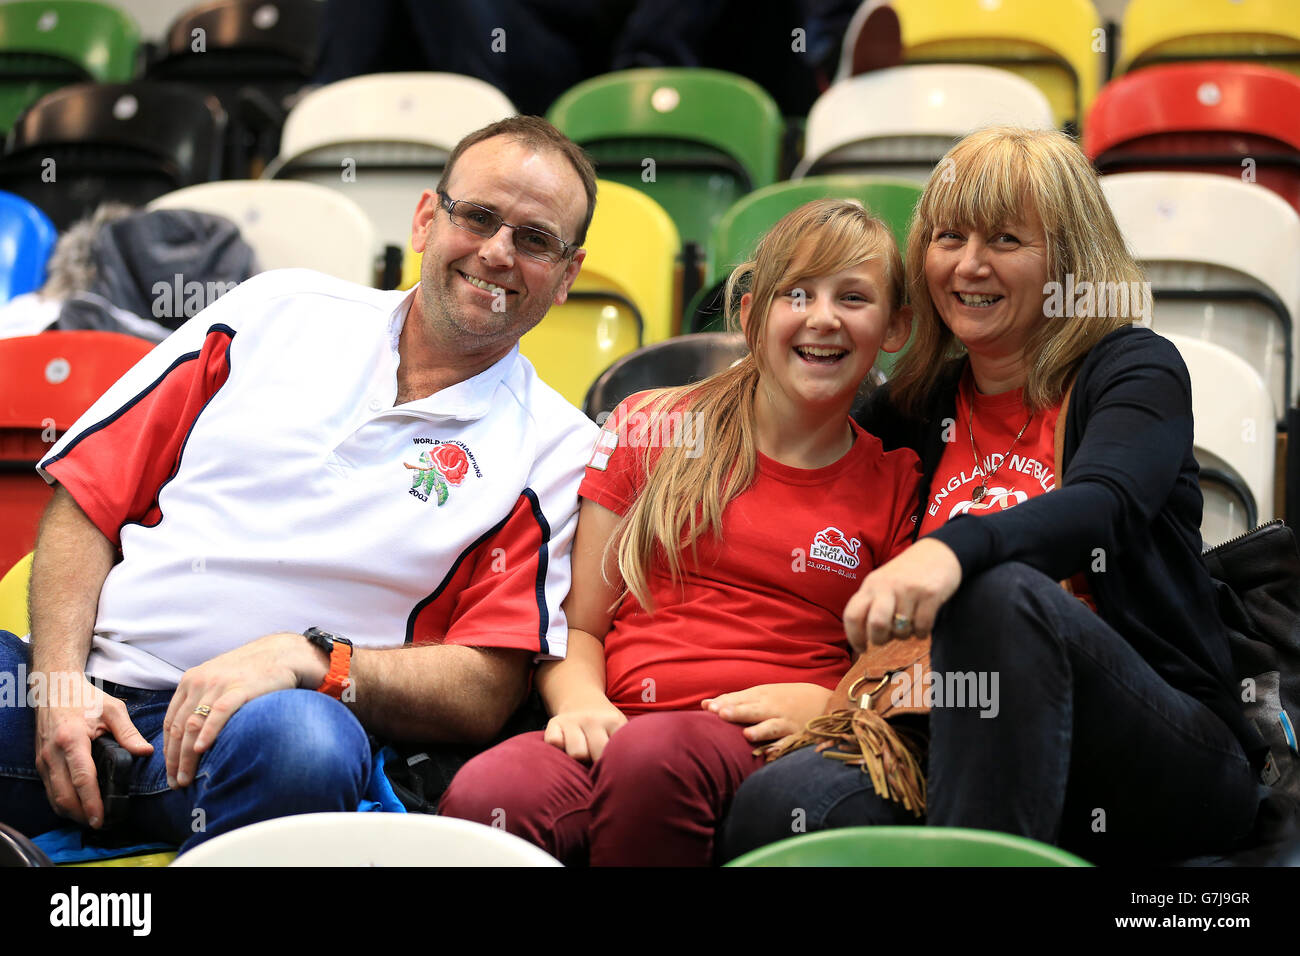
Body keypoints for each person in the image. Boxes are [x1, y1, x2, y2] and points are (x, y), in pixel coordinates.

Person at [0, 116, 601, 853]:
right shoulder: (274, 310)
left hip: (257, 738)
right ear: (424, 219)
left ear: (569, 275)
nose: (498, 252)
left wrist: (312, 658)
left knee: (306, 746)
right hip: (78, 701)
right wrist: (58, 685)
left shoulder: (558, 446)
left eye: (535, 240)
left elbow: (485, 687)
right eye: (477, 216)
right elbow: (86, 499)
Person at [722, 126, 1267, 865]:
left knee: (998, 593)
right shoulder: (917, 408)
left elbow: (1104, 504)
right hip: (950, 726)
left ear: (1067, 260)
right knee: (779, 808)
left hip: (1163, 749)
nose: (968, 264)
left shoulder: (1133, 370)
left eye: (1005, 240)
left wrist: (953, 549)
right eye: (949, 236)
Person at [438, 199, 922, 865]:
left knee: (656, 757)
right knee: (489, 792)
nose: (823, 317)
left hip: (773, 743)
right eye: (798, 293)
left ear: (895, 326)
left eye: (854, 297)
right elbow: (578, 626)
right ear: (751, 315)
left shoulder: (900, 479)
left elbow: (899, 661)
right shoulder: (651, 425)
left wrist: (831, 703)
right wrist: (581, 705)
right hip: (623, 721)